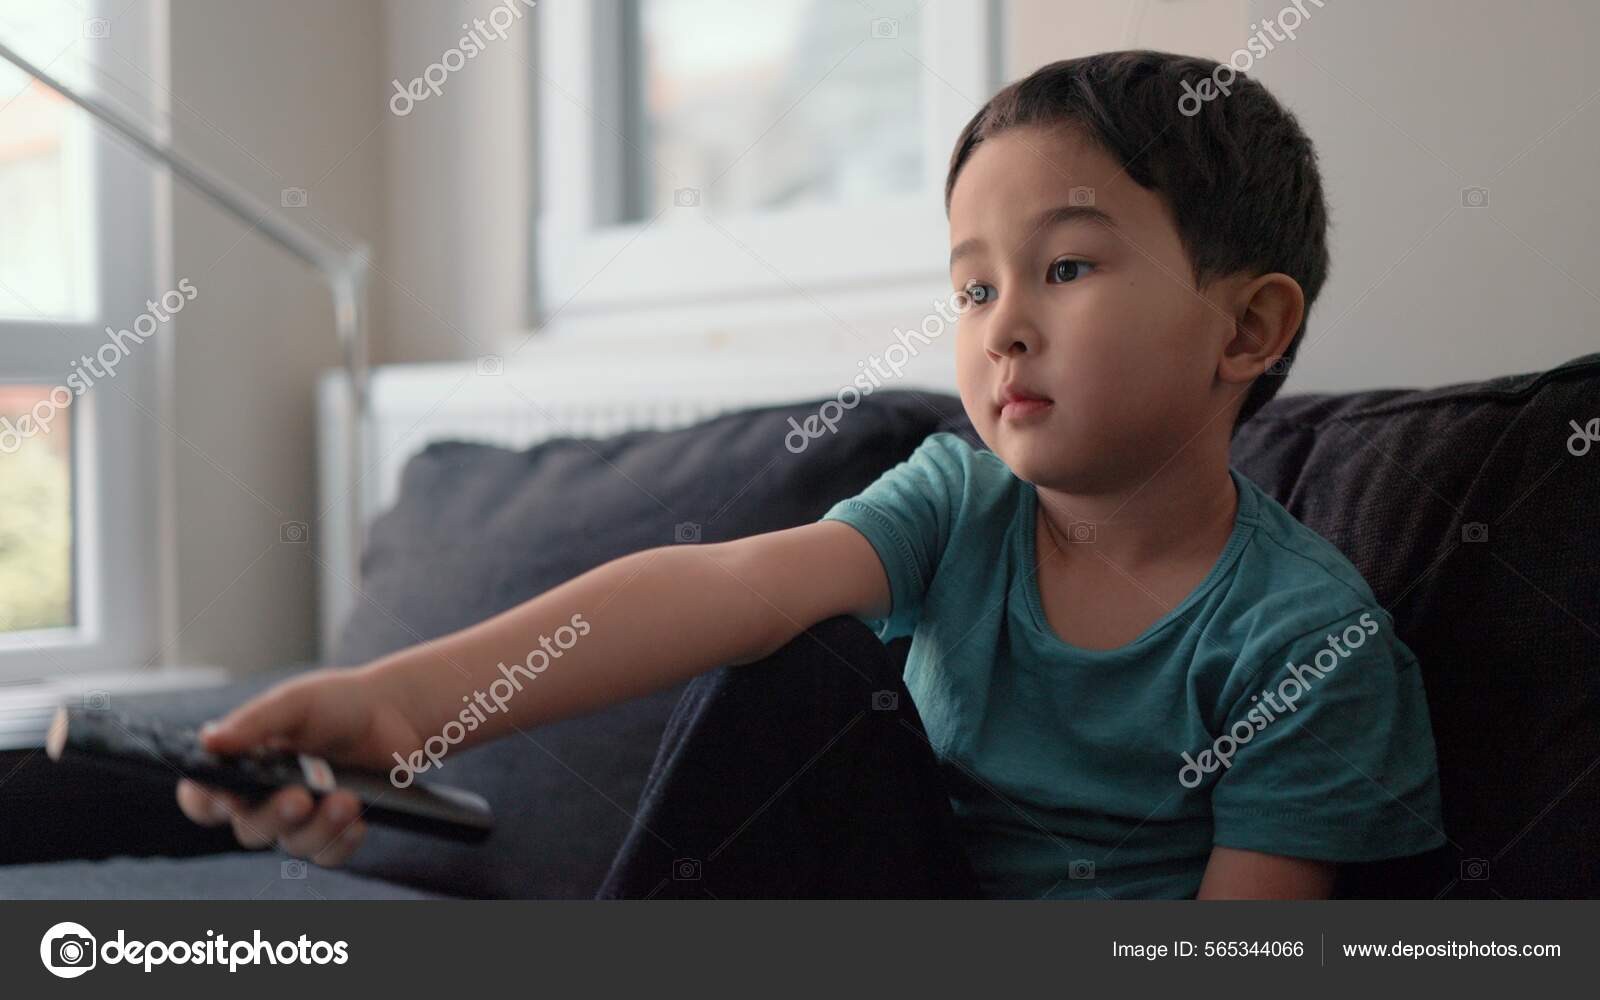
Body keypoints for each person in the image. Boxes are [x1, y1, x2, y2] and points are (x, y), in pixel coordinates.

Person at [178, 50, 1445, 899]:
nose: (1000, 324)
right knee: (795, 658)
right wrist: (406, 704)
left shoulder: (1303, 645)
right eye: (971, 286)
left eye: (1064, 267)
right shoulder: (959, 503)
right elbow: (719, 586)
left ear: (1246, 329)